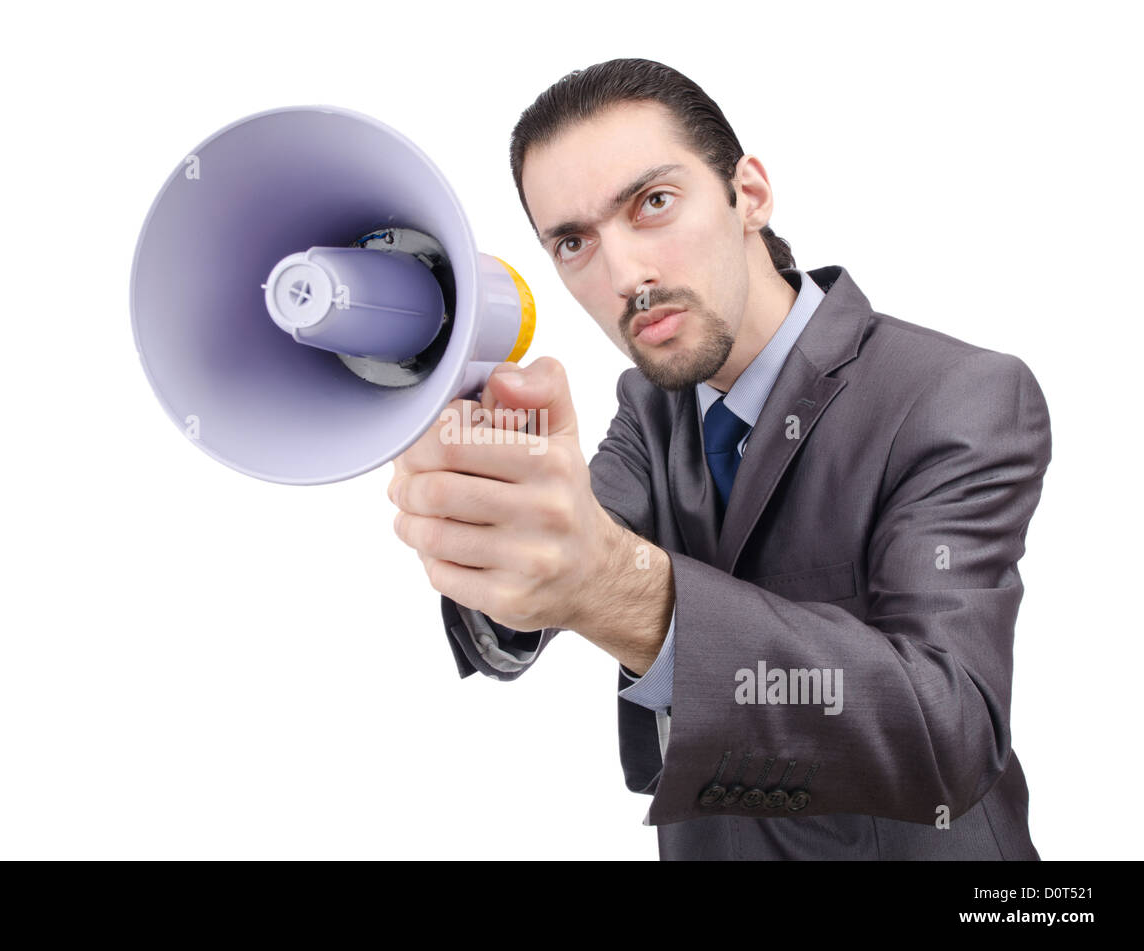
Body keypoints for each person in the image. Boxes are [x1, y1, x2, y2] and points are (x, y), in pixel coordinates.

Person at [386, 58, 1052, 860]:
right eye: (573, 241)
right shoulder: (649, 407)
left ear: (751, 195)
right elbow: (569, 539)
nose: (625, 274)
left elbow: (952, 731)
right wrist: (491, 508)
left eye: (654, 203)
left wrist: (617, 587)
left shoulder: (959, 393)